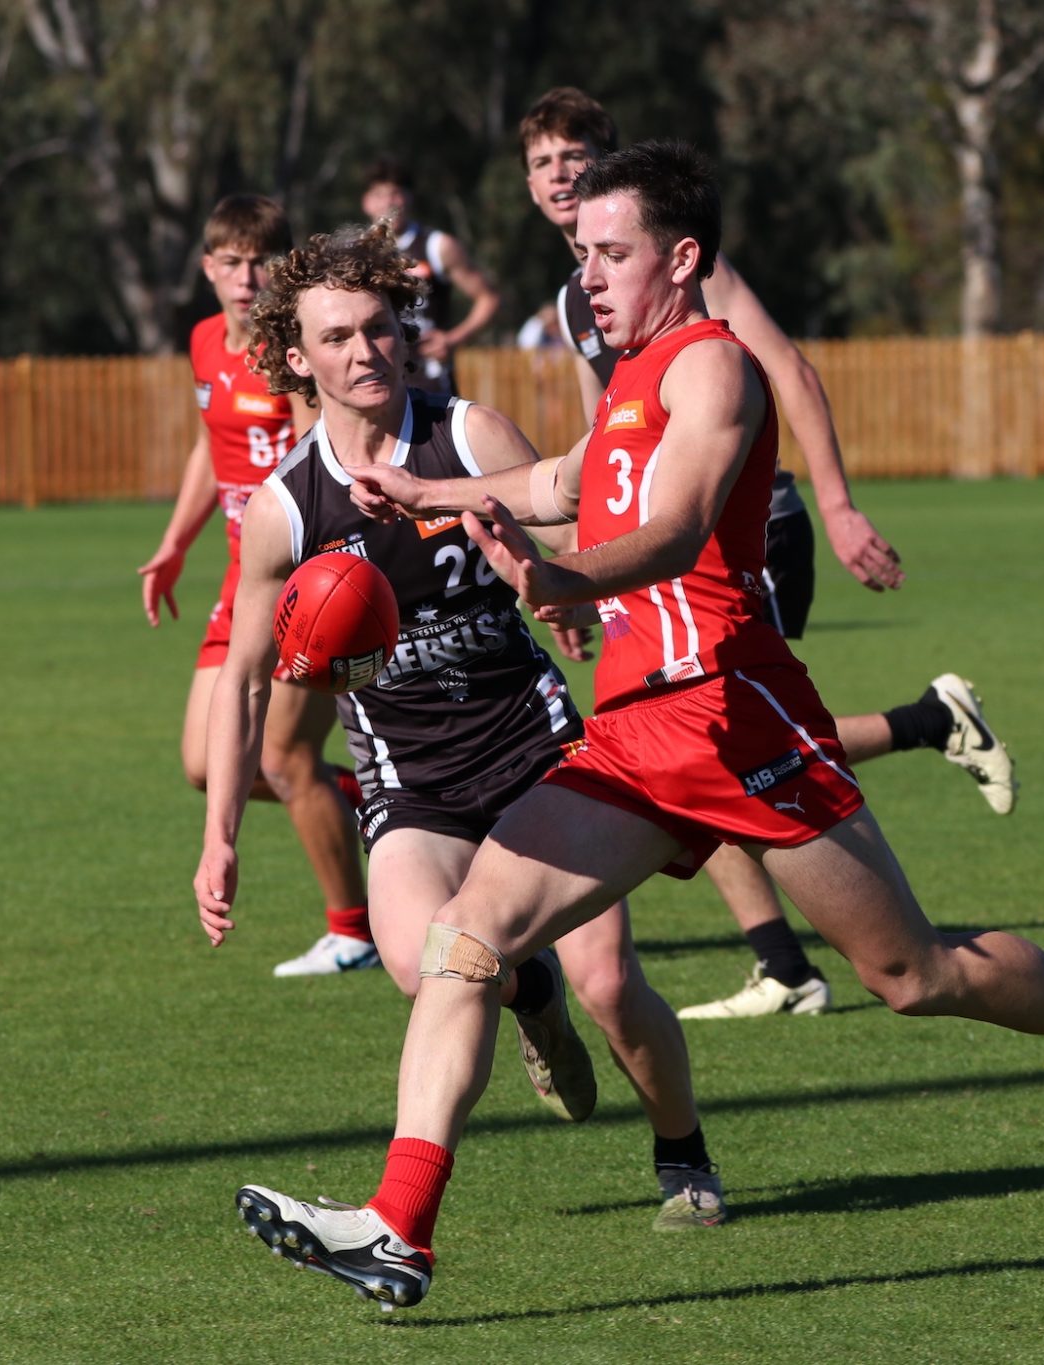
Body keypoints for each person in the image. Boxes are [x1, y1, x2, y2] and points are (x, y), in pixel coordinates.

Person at [220, 141, 1044, 1312]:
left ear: (680, 257)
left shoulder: (711, 369)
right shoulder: (635, 367)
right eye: (580, 254)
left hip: (732, 718)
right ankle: (399, 1225)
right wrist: (439, 496)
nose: (586, 276)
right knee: (465, 942)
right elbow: (561, 481)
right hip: (631, 734)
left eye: (609, 253)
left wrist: (558, 584)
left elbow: (674, 529)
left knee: (914, 976)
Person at [199, 221, 727, 1240]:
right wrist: (220, 833)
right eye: (338, 336)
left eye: (380, 327)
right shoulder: (284, 511)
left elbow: (573, 537)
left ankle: (683, 1152)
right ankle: (530, 993)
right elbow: (246, 678)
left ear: (406, 331)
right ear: (295, 358)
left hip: (537, 753)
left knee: (614, 984)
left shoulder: (467, 436)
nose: (365, 352)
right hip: (413, 782)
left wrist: (564, 594)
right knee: (424, 966)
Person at [519, 86, 1015, 1020]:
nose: (561, 173)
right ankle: (784, 961)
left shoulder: (691, 276)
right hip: (651, 545)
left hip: (747, 522)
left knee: (727, 725)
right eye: (544, 162)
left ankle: (920, 731)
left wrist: (837, 504)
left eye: (578, 155)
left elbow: (785, 368)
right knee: (702, 744)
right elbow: (610, 444)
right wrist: (590, 568)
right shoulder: (580, 295)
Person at [138, 194, 375, 978]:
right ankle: (380, 794)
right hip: (243, 575)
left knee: (279, 757)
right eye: (232, 262)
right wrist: (175, 545)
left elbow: (324, 447)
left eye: (261, 261)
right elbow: (215, 448)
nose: (247, 278)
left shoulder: (292, 353)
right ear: (207, 268)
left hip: (306, 571)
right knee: (206, 766)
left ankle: (353, 931)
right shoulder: (206, 342)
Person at [360, 159, 500, 396]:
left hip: (430, 380)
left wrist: (453, 339)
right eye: (379, 195)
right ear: (366, 202)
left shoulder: (437, 245)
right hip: (376, 377)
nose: (388, 203)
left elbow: (489, 299)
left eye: (396, 194)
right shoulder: (357, 252)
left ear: (408, 198)